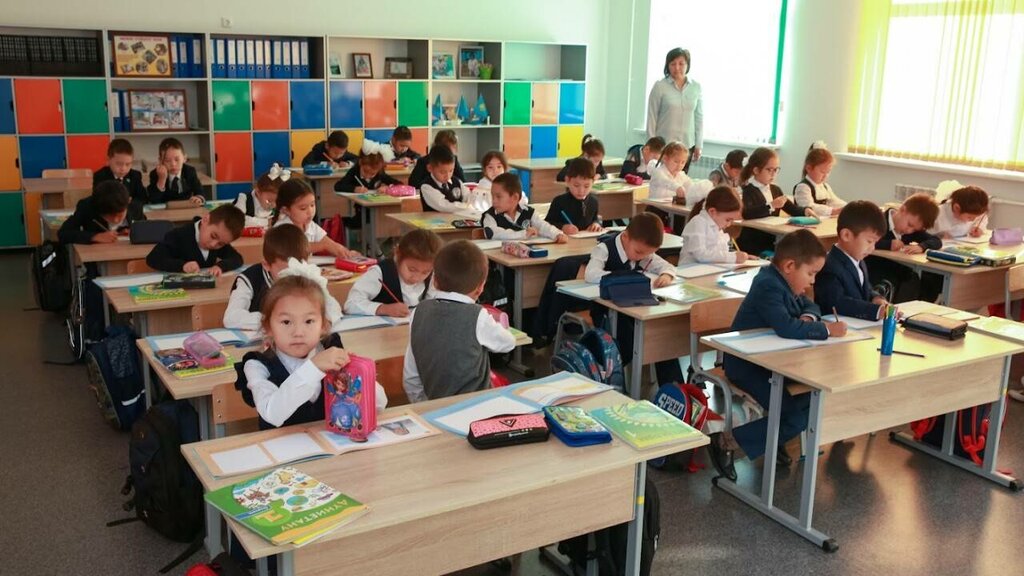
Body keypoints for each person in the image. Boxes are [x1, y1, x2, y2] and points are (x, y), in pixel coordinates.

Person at [708, 230, 848, 481]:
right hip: (747, 365)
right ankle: (727, 441)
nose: (813, 281)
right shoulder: (768, 284)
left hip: (776, 362)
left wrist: (809, 317)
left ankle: (773, 437)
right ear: (789, 266)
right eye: (811, 273)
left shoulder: (786, 281)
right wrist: (826, 329)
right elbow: (786, 327)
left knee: (814, 399)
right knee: (794, 418)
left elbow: (810, 304)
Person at [234, 272, 386, 429]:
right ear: (268, 327)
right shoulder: (257, 365)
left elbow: (380, 405)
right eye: (286, 322)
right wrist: (313, 368)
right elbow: (272, 413)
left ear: (323, 326)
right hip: (281, 444)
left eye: (308, 321)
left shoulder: (330, 349)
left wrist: (356, 374)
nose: (298, 332)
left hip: (328, 442)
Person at [402, 240, 516, 402]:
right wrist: (501, 327)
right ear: (481, 287)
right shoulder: (478, 316)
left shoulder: (418, 312)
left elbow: (411, 375)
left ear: (435, 281)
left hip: (435, 404)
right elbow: (508, 343)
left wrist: (423, 405)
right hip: (477, 406)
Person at [584, 212, 682, 385]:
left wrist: (666, 275)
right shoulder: (604, 249)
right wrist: (626, 277)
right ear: (625, 237)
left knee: (662, 337)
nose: (641, 257)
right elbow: (590, 274)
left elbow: (667, 266)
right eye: (638, 252)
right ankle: (612, 380)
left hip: (636, 307)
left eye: (646, 254)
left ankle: (674, 390)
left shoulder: (642, 252)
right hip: (607, 310)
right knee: (629, 342)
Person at [224, 225, 343, 332]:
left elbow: (334, 308)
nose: (292, 275)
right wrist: (275, 320)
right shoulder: (250, 279)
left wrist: (325, 320)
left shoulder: (307, 275)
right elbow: (231, 317)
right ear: (266, 265)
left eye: (297, 267)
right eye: (285, 270)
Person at [814, 201, 890, 320]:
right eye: (869, 241)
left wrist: (876, 298)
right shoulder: (829, 265)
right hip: (836, 324)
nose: (872, 248)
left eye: (875, 243)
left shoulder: (858, 260)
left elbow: (865, 288)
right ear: (846, 235)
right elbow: (837, 302)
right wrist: (875, 311)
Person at [344, 229, 442, 317]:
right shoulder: (380, 273)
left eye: (425, 272)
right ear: (398, 254)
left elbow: (434, 301)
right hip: (381, 330)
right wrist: (383, 309)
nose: (417, 278)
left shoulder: (432, 276)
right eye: (412, 269)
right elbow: (351, 304)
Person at [865, 193, 941, 303]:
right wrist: (887, 244)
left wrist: (922, 246)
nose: (909, 231)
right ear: (902, 210)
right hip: (874, 267)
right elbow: (862, 240)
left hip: (898, 269)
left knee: (927, 280)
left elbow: (936, 241)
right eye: (909, 225)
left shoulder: (911, 231)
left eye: (914, 229)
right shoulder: (878, 221)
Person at [737, 147, 812, 256]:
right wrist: (771, 205)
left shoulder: (775, 189)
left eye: (776, 170)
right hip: (753, 242)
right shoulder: (748, 190)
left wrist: (805, 211)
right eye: (769, 170)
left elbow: (792, 209)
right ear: (756, 170)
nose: (773, 174)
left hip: (771, 239)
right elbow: (747, 213)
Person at [272, 178, 359, 259]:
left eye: (312, 205)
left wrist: (345, 252)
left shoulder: (310, 225)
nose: (310, 212)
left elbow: (329, 243)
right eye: (303, 208)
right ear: (286, 210)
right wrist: (323, 246)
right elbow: (295, 249)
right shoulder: (282, 227)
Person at [646, 47, 702, 172]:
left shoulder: (696, 87)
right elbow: (652, 116)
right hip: (664, 146)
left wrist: (699, 145)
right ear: (667, 66)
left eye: (681, 64)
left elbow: (699, 118)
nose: (677, 68)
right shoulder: (660, 86)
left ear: (687, 65)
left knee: (681, 180)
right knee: (662, 179)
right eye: (673, 64)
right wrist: (651, 145)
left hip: (687, 145)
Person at [145, 204, 244, 274]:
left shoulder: (220, 239)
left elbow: (237, 258)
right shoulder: (178, 235)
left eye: (221, 244)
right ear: (205, 220)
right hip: (180, 291)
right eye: (213, 236)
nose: (213, 244)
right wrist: (182, 266)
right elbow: (153, 259)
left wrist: (221, 266)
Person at [480, 173, 567, 243]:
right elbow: (493, 233)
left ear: (515, 198)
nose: (494, 201)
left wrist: (557, 234)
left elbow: (542, 226)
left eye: (498, 197)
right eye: (492, 196)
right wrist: (523, 234)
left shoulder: (528, 212)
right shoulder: (490, 216)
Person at [58, 180, 145, 245]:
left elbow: (146, 229)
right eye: (110, 216)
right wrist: (94, 236)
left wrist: (134, 232)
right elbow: (64, 233)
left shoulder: (135, 207)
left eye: (120, 215)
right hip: (95, 257)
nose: (115, 220)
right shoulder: (87, 207)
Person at [680, 186, 748, 264]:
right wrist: (732, 257)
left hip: (712, 269)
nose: (729, 224)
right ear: (712, 211)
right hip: (691, 269)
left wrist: (738, 255)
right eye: (728, 220)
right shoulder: (698, 223)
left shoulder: (718, 226)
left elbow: (722, 251)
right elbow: (700, 255)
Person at [544, 158, 602, 234]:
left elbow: (595, 218)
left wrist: (596, 224)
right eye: (576, 185)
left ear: (593, 182)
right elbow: (547, 223)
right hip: (565, 239)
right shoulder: (559, 201)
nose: (581, 191)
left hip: (587, 240)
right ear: (567, 180)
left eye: (586, 186)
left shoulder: (593, 201)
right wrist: (562, 227)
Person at [794, 142, 846, 218]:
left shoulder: (825, 187)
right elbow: (809, 207)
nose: (825, 176)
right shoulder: (803, 187)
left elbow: (834, 201)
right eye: (822, 172)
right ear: (809, 168)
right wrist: (832, 211)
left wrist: (848, 207)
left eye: (828, 172)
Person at [147, 137, 204, 204]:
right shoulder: (155, 174)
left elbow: (199, 191)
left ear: (184, 158)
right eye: (167, 160)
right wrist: (161, 180)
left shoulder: (189, 171)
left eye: (177, 160)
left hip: (186, 206)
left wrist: (198, 198)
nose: (173, 164)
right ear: (160, 161)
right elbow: (153, 200)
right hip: (164, 208)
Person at [93, 138, 147, 205]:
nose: (123, 168)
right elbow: (98, 200)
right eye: (119, 164)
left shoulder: (135, 175)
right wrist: (121, 202)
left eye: (128, 164)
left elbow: (143, 198)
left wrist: (131, 202)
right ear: (108, 160)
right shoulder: (100, 176)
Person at [234, 164, 288, 229]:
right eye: (269, 201)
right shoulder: (244, 198)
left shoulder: (276, 207)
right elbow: (238, 220)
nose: (273, 205)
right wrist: (266, 222)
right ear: (258, 192)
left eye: (277, 201)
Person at [419, 145, 469, 212]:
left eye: (451, 171)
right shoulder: (426, 186)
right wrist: (465, 206)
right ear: (430, 168)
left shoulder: (457, 181)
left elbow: (468, 197)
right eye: (442, 172)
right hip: (435, 218)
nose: (447, 176)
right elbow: (444, 206)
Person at [333, 152, 400, 193]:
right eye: (365, 171)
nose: (367, 176)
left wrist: (387, 188)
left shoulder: (380, 173)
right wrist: (354, 189)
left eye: (372, 174)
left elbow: (399, 184)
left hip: (376, 206)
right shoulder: (354, 172)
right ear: (360, 163)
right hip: (360, 208)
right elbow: (338, 186)